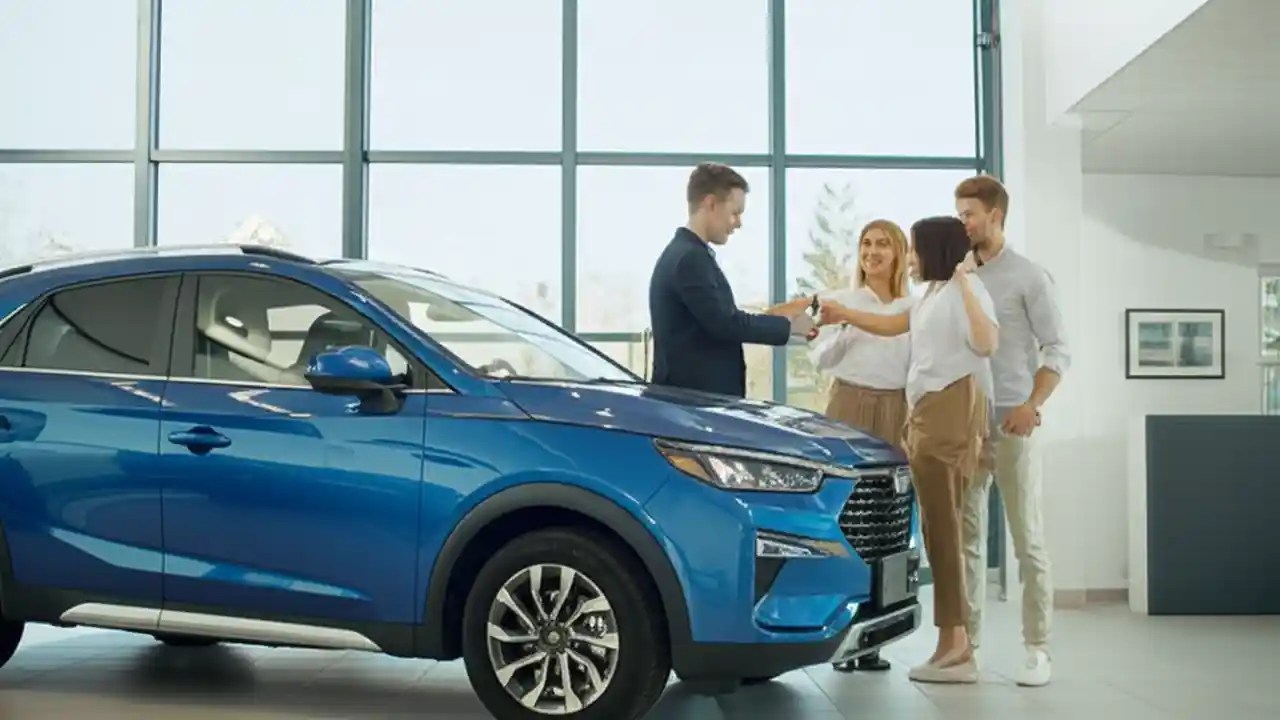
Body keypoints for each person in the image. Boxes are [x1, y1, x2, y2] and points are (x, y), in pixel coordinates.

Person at [817, 216, 998, 684]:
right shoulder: (933, 296)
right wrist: (842, 313)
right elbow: (891, 323)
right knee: (938, 533)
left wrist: (964, 280)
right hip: (927, 416)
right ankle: (951, 644)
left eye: (913, 249)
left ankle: (956, 648)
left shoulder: (963, 290)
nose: (911, 258)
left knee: (944, 534)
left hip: (946, 414)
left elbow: (986, 342)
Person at [954, 175, 1068, 687]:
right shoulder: (955, 276)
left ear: (996, 216)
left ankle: (1038, 648)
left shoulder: (1029, 277)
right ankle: (968, 646)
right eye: (959, 214)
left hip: (1012, 419)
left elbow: (1058, 350)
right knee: (967, 540)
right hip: (966, 421)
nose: (963, 222)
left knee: (1028, 539)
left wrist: (1031, 404)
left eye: (969, 215)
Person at [805, 218, 914, 673]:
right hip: (847, 406)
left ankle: (874, 640)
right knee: (846, 522)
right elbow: (818, 358)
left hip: (895, 410)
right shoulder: (843, 302)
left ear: (899, 253)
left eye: (882, 244)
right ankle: (838, 633)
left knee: (888, 526)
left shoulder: (913, 307)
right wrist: (846, 326)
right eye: (866, 243)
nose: (872, 252)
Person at [648, 162, 815, 397]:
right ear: (711, 204)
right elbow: (725, 323)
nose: (738, 223)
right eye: (735, 213)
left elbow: (715, 319)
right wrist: (790, 327)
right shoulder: (689, 259)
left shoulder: (687, 253)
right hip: (695, 403)